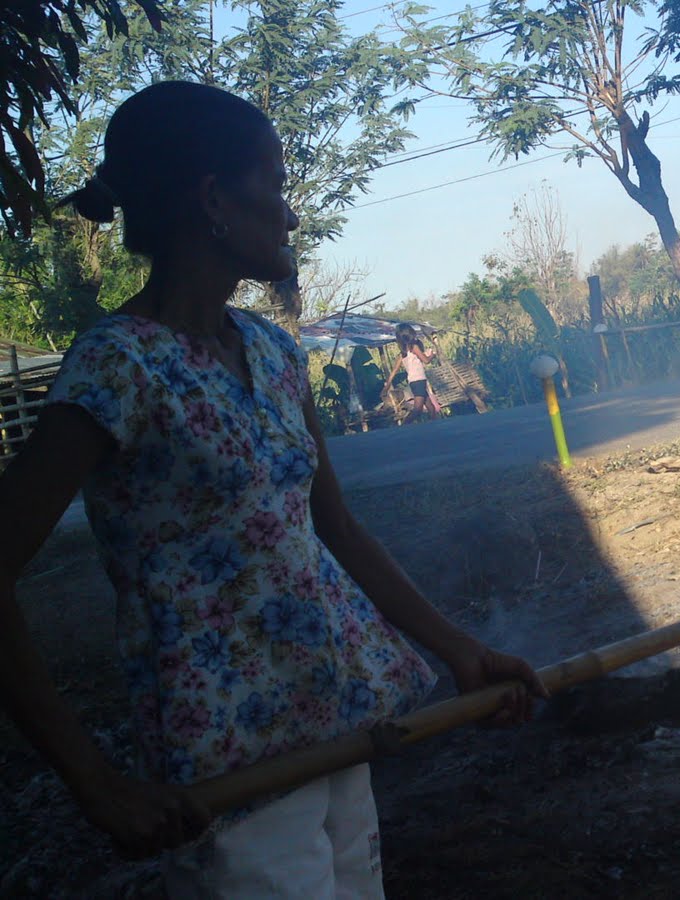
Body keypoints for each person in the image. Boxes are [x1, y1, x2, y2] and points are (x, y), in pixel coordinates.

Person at [0, 81, 541, 896]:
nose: (290, 216)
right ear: (214, 199)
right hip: (227, 768)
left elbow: (339, 531)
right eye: (278, 186)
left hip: (336, 727)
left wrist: (459, 649)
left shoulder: (272, 351)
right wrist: (95, 782)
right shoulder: (117, 365)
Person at [387, 325, 442, 423]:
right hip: (419, 380)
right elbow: (425, 360)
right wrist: (432, 355)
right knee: (417, 410)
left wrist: (386, 386)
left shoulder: (403, 353)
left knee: (431, 408)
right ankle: (405, 427)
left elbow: (394, 370)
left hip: (414, 381)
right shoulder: (414, 347)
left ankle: (434, 428)